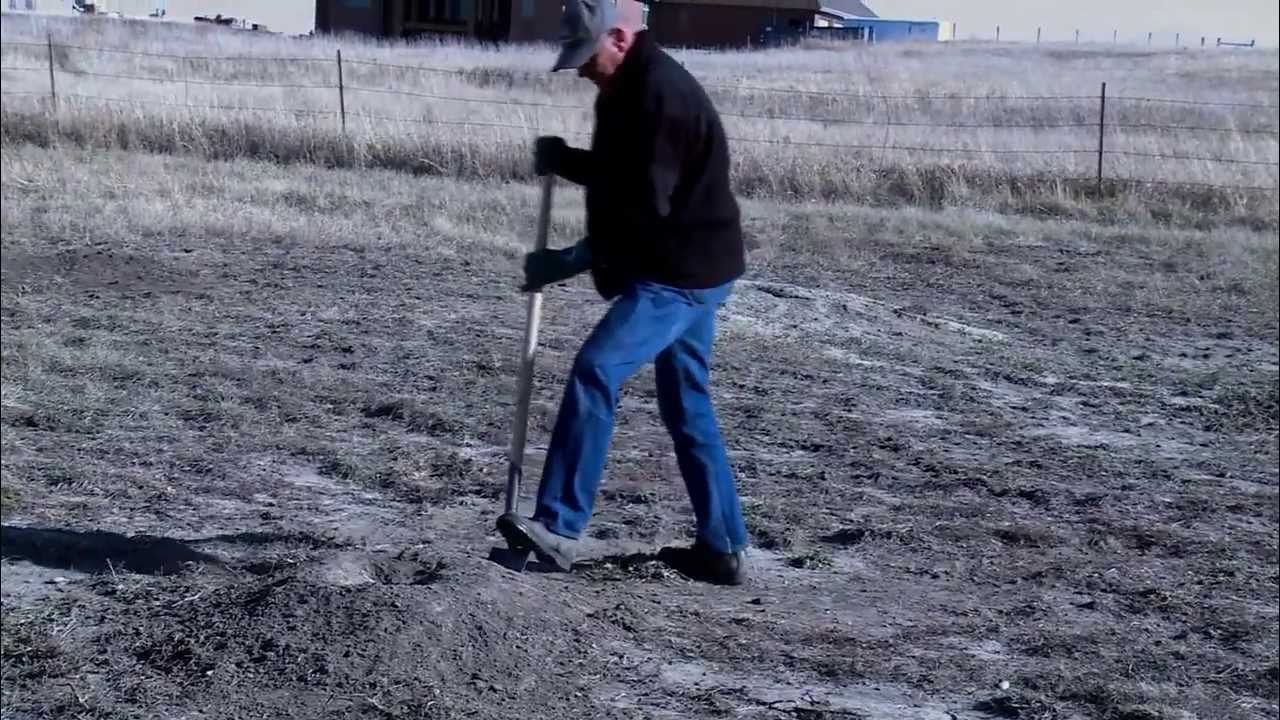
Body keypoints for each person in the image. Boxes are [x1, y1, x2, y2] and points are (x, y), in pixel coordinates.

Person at [496, 0, 750, 586]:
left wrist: (570, 260)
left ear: (617, 38)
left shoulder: (660, 95)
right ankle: (723, 548)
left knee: (596, 370)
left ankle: (559, 527)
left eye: (586, 58)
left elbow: (644, 211)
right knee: (688, 404)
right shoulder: (629, 85)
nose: (581, 69)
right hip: (698, 263)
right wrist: (571, 161)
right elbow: (627, 173)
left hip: (680, 271)